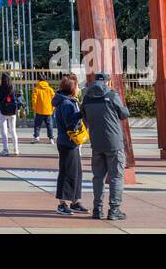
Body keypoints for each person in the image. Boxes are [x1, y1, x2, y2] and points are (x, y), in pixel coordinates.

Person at [81, 72, 130, 220]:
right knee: (116, 177)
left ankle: (97, 209)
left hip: (96, 142)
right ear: (108, 82)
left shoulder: (87, 97)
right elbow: (124, 114)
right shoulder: (112, 95)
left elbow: (84, 117)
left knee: (98, 177)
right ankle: (114, 210)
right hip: (114, 143)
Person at [53, 74, 86, 214]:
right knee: (67, 173)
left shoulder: (69, 101)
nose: (78, 89)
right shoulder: (66, 103)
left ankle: (75, 201)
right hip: (67, 142)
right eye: (77, 86)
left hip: (71, 142)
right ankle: (62, 203)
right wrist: (81, 113)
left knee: (76, 172)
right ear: (72, 88)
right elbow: (70, 123)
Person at [0, 72, 20, 156]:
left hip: (2, 110)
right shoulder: (13, 88)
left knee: (4, 131)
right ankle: (16, 149)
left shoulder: (0, 88)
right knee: (13, 130)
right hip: (12, 111)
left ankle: (5, 149)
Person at [31, 76, 55, 143]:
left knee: (37, 125)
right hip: (48, 111)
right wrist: (52, 108)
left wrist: (34, 108)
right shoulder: (50, 89)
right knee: (49, 125)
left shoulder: (36, 89)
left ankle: (36, 137)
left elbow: (34, 100)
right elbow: (54, 100)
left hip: (39, 110)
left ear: (39, 81)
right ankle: (51, 139)